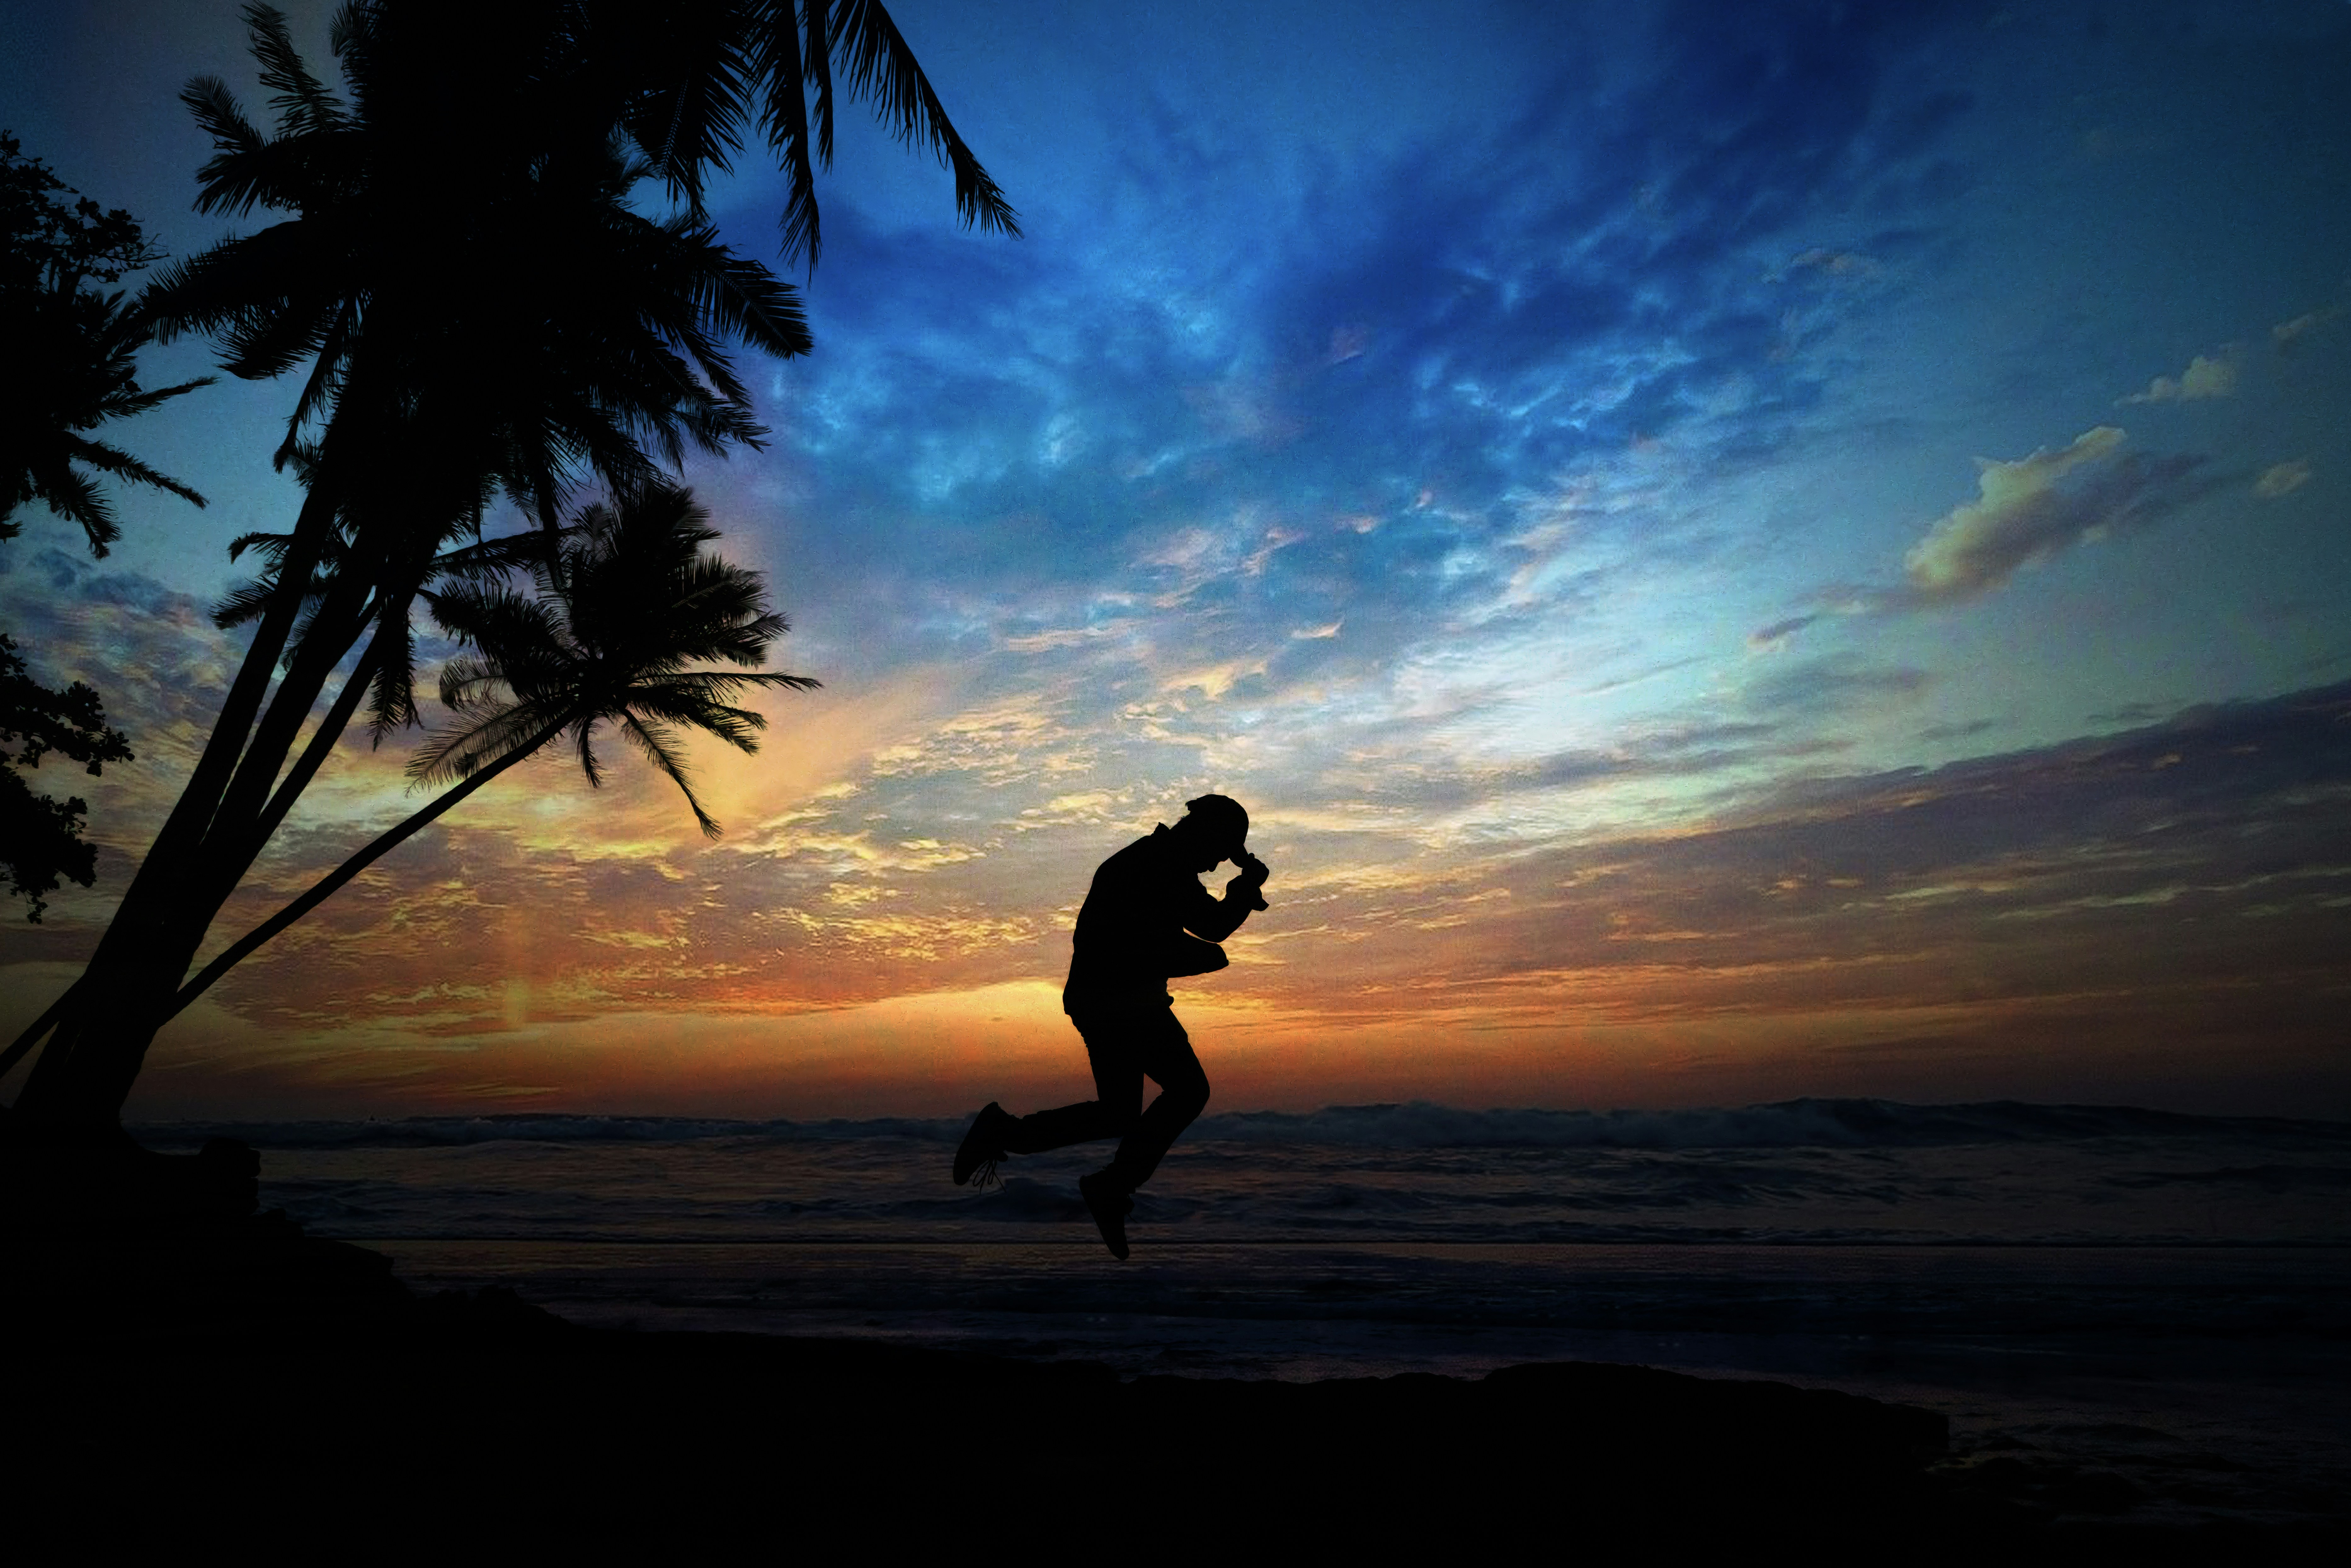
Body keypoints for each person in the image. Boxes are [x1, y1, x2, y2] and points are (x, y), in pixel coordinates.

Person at [951, 794, 1270, 1259]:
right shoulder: (1160, 863)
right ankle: (1109, 1187)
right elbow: (1212, 926)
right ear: (1206, 835)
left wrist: (1240, 889)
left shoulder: (1157, 860)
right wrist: (1245, 887)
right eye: (1222, 850)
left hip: (1105, 999)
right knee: (1188, 1091)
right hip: (1122, 1001)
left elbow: (1192, 931)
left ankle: (1007, 1135)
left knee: (1120, 1113)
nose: (1218, 862)